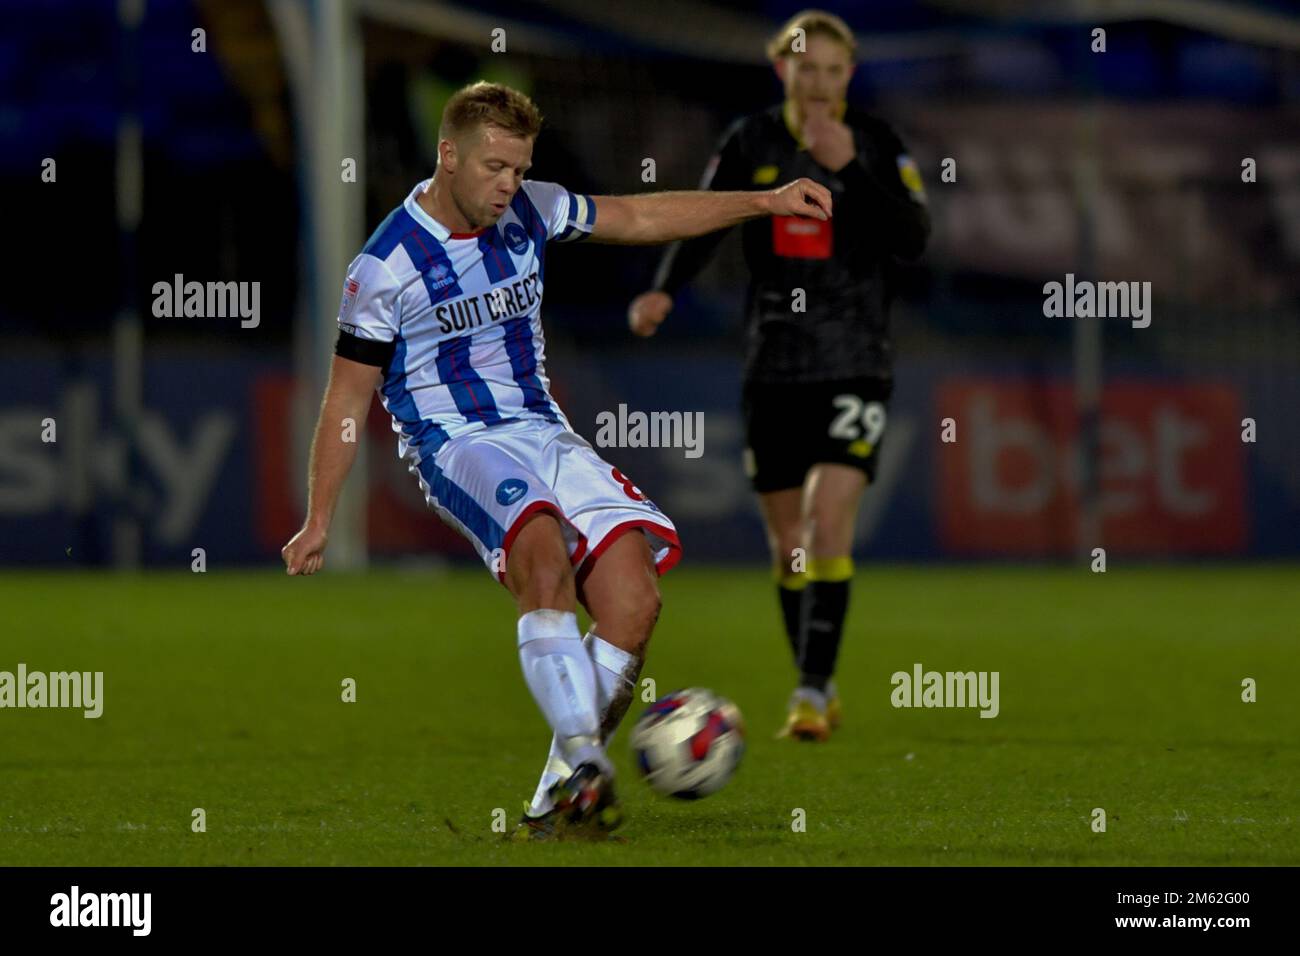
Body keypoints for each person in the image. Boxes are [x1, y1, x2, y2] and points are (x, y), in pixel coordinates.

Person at [280, 81, 831, 839]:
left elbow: (637, 216)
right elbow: (346, 400)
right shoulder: (383, 268)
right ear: (448, 156)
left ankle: (557, 802)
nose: (508, 183)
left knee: (634, 601)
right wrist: (319, 518)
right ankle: (586, 760)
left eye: (519, 167)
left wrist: (763, 204)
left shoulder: (532, 209)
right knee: (542, 553)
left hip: (544, 429)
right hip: (457, 441)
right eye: (494, 167)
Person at [628, 10, 930, 741]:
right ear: (782, 70)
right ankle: (815, 678)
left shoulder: (879, 142)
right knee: (790, 542)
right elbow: (706, 217)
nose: (820, 83)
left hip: (856, 360)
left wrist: (848, 163)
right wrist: (666, 286)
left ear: (848, 76)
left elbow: (913, 238)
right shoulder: (752, 141)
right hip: (774, 364)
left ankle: (811, 687)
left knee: (830, 524)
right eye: (807, 68)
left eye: (834, 70)